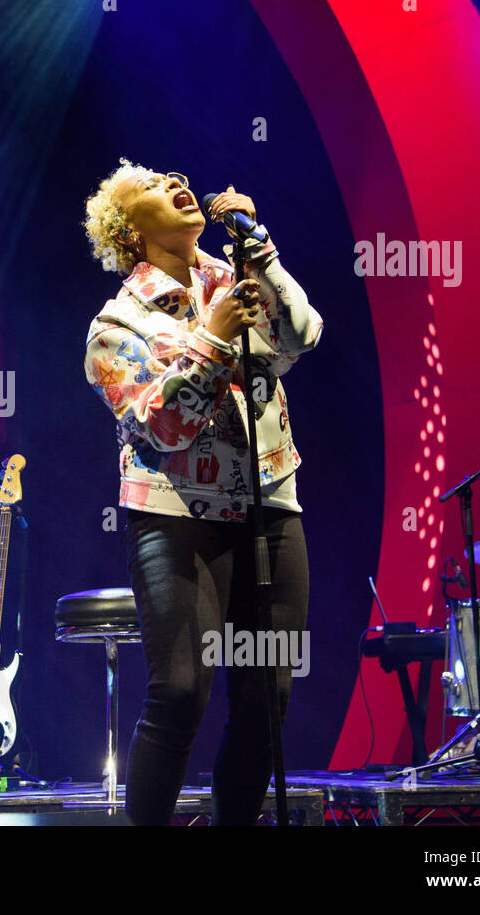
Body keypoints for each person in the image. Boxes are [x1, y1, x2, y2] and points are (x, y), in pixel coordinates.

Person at [83, 160, 322, 825]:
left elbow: (301, 334)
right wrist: (214, 336)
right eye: (152, 185)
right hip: (174, 517)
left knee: (266, 698)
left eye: (171, 174)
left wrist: (259, 245)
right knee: (183, 689)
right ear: (129, 230)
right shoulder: (116, 325)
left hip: (269, 508)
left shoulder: (236, 275)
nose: (174, 179)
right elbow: (163, 426)